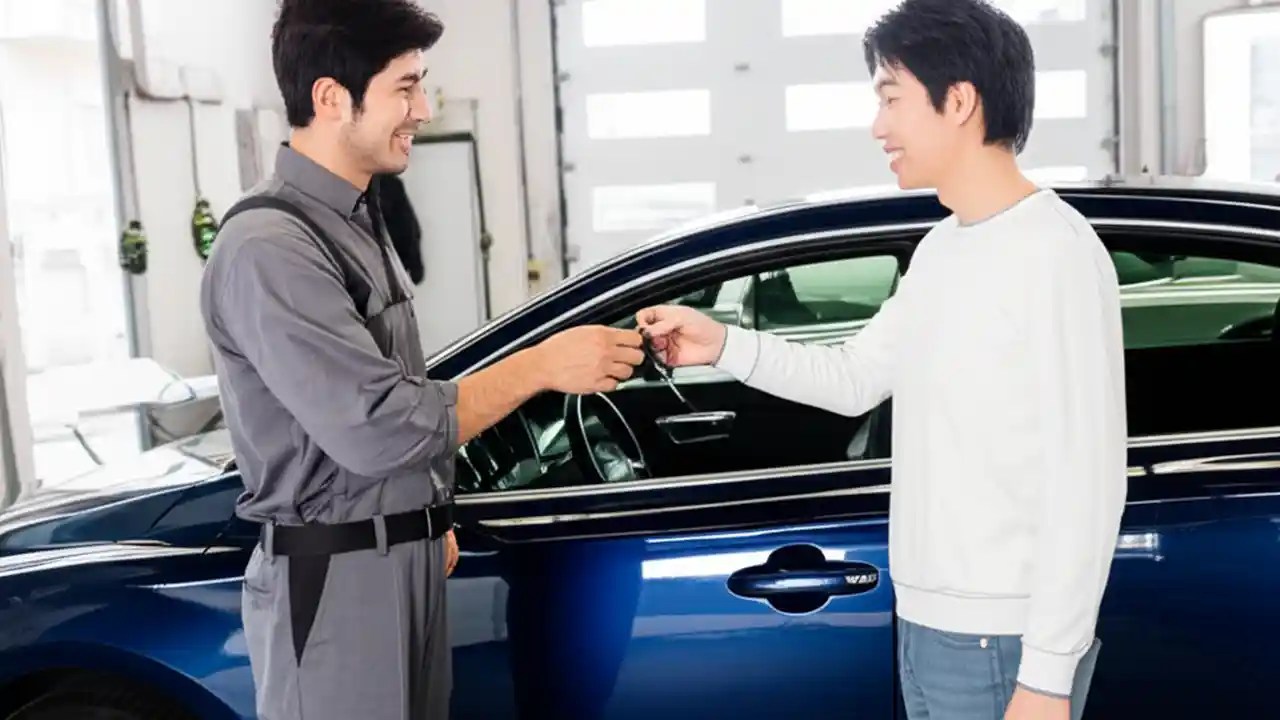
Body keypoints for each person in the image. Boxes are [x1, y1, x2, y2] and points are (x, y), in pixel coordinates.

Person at [636, 1, 1126, 719]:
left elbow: (1089, 480)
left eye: (891, 98)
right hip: (930, 622)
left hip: (1003, 640)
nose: (878, 127)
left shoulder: (1056, 253)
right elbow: (856, 377)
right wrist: (723, 344)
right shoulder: (943, 249)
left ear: (958, 100)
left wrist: (1048, 675)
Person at [198, 2, 643, 719]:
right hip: (338, 580)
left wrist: (427, 514)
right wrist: (538, 366)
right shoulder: (270, 248)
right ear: (331, 98)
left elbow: (399, 383)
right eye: (405, 87)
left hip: (403, 558)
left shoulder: (354, 221)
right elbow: (377, 424)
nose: (424, 108)